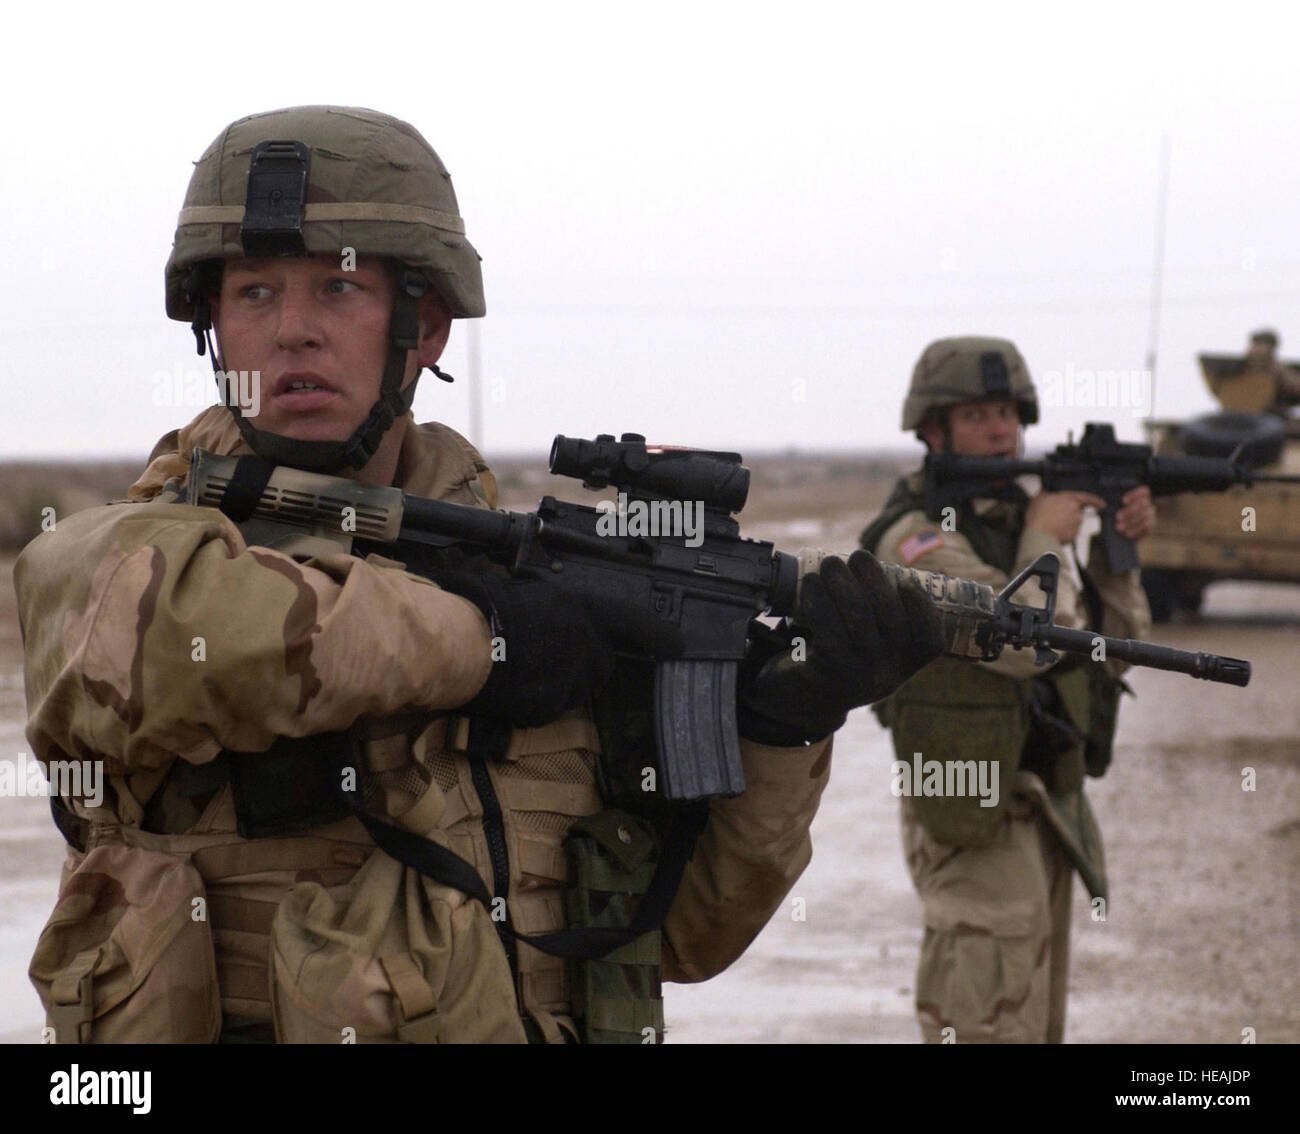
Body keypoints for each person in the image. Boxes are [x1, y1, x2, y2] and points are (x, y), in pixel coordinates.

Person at [17, 105, 943, 1044]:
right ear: (213, 326)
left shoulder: (536, 581)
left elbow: (678, 936)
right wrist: (484, 643)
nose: (292, 330)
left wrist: (784, 730)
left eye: (338, 291)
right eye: (254, 293)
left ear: (424, 329)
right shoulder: (139, 552)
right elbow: (172, 631)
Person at [859, 336, 1154, 1043]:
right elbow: (1023, 643)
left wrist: (1117, 550)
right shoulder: (916, 539)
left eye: (1007, 412)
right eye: (976, 415)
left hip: (1037, 803)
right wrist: (1047, 538)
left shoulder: (1009, 528)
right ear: (933, 430)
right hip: (967, 809)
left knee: (1031, 1023)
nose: (1000, 431)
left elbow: (1110, 653)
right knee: (986, 1020)